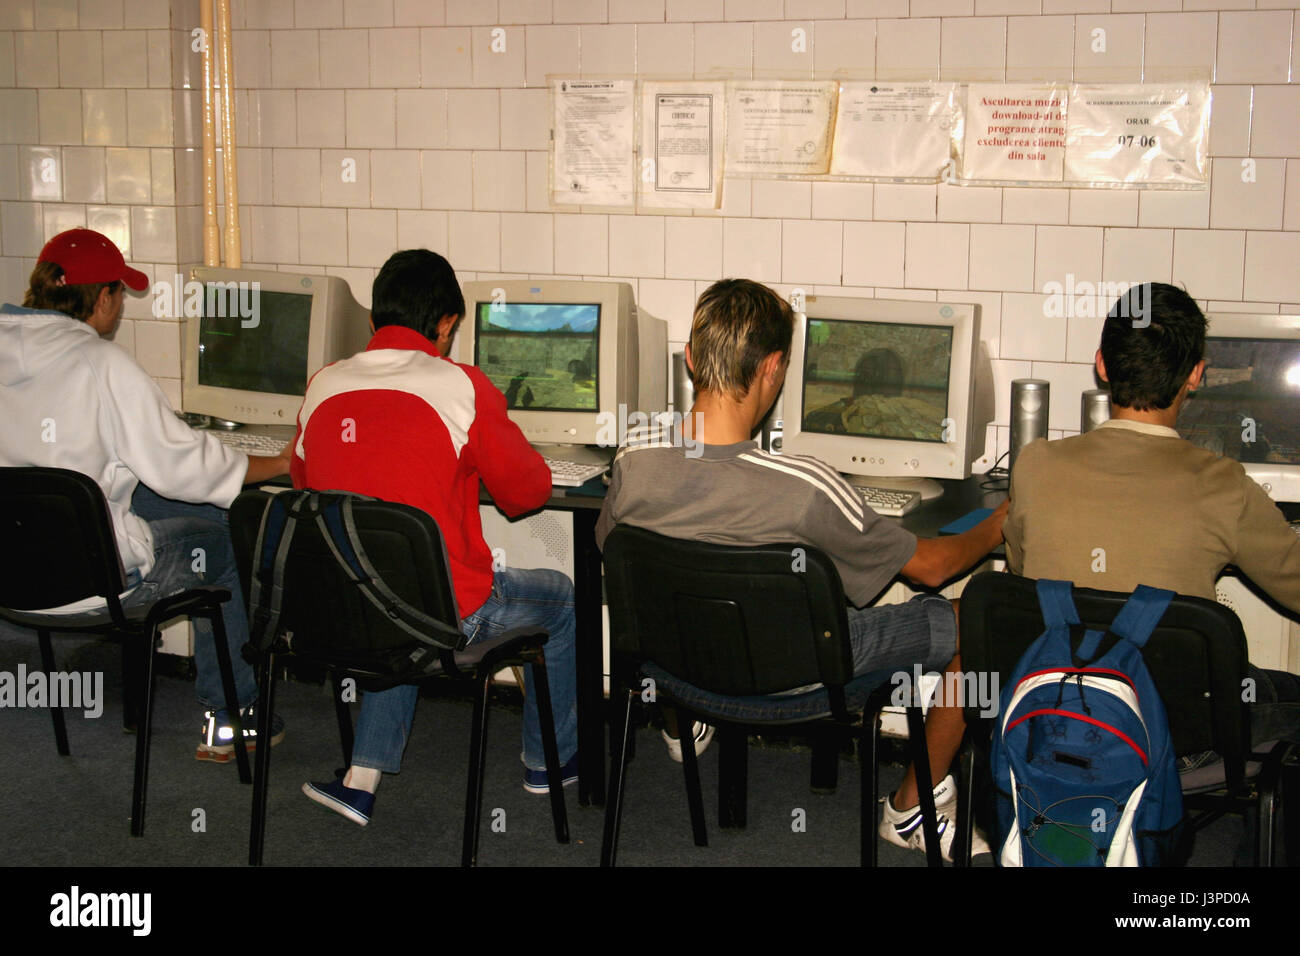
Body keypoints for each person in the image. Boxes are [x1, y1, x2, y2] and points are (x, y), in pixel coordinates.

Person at [594, 278, 1007, 860]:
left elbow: (616, 553)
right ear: (773, 368)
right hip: (799, 682)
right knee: (981, 618)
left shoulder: (634, 457)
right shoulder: (805, 486)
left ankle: (682, 722)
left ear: (690, 357)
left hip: (681, 670)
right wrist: (997, 524)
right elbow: (932, 569)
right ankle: (911, 811)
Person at [291, 249, 577, 826]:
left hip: (348, 607)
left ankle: (361, 777)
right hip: (443, 615)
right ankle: (550, 763)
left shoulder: (323, 384)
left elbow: (306, 486)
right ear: (446, 324)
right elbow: (528, 494)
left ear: (376, 320)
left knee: (387, 584)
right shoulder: (461, 386)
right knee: (563, 598)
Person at [0, 228, 291, 760]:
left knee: (179, 504)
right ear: (104, 297)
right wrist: (279, 461)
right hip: (96, 582)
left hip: (14, 577)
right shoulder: (102, 365)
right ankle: (232, 717)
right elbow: (188, 467)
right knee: (230, 541)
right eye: (119, 295)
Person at [1004, 282, 1299, 762]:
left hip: (1053, 714)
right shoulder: (1224, 485)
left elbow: (1018, 578)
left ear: (1101, 364)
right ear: (1197, 376)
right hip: (1175, 734)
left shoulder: (1034, 465)